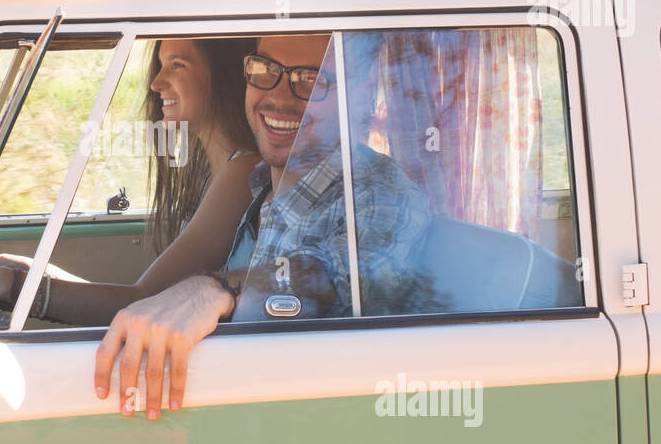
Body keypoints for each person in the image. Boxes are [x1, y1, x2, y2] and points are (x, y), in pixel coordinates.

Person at [93, 33, 432, 420]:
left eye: (311, 80)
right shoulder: (263, 185)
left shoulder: (381, 194)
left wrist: (217, 289)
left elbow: (341, 278)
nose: (279, 97)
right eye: (266, 70)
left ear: (358, 94)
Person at [0, 37, 260, 324]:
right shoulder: (212, 172)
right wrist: (32, 270)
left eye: (177, 65)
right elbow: (138, 297)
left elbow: (138, 302)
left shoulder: (242, 172)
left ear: (223, 74)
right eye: (160, 66)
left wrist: (8, 285)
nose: (156, 82)